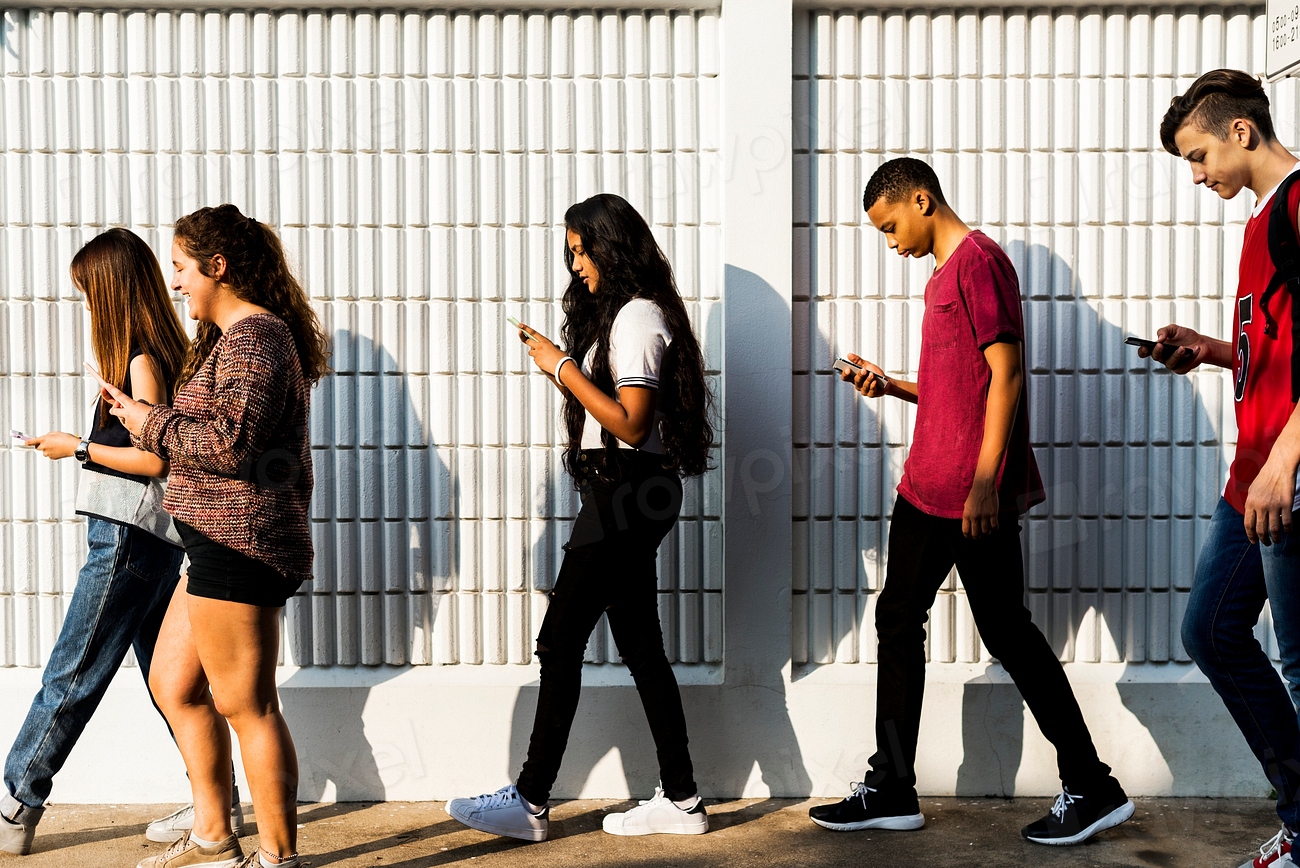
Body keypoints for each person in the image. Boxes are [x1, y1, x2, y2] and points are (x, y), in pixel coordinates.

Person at [809, 158, 1133, 845]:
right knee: (898, 619)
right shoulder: (942, 278)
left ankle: (1092, 784)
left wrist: (988, 481)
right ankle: (892, 787)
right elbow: (962, 389)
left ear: (921, 200)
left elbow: (1008, 375)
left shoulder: (980, 263)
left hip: (969, 494)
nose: (891, 243)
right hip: (925, 487)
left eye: (891, 226)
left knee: (1007, 631)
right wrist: (892, 386)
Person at [446, 193, 715, 841]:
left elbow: (631, 421)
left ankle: (531, 800)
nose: (576, 266)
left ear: (610, 246)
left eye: (581, 250)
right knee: (642, 648)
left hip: (626, 494)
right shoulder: (630, 316)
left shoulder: (638, 317)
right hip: (625, 491)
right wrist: (563, 367)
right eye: (570, 254)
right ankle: (681, 800)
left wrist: (562, 367)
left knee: (559, 642)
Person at [96, 204, 329, 868]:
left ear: (217, 267)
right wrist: (151, 417)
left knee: (246, 705)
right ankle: (214, 837)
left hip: (243, 541)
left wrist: (147, 420)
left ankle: (277, 857)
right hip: (211, 539)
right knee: (175, 684)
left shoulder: (256, 339)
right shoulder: (231, 340)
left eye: (181, 268)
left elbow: (228, 446)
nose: (176, 284)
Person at [0, 228, 203, 856]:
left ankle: (13, 804)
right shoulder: (159, 354)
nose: (89, 309)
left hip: (126, 540)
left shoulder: (142, 358)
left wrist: (78, 447)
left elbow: (158, 457)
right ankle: (211, 803)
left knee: (74, 670)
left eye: (91, 296)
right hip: (151, 540)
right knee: (171, 682)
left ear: (112, 295)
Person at [1153, 69, 1300, 868]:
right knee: (1210, 630)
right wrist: (1213, 351)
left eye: (1198, 153)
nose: (1198, 172)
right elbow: (1279, 348)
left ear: (1241, 130)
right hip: (1251, 478)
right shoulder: (1260, 224)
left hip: (1285, 477)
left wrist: (1284, 464)